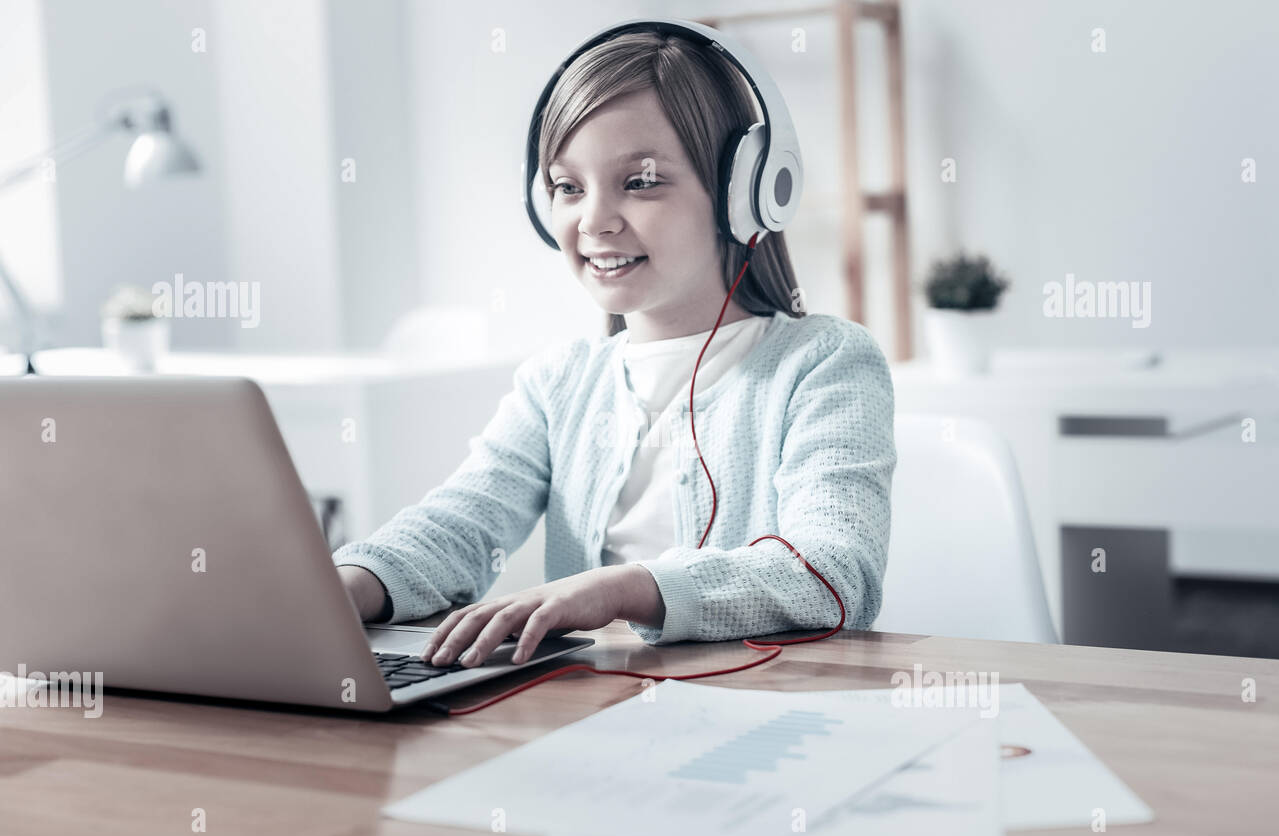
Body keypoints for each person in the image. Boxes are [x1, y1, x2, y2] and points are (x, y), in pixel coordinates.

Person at [333, 26, 896, 670]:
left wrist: (624, 589)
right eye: (568, 188)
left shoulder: (825, 364)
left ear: (747, 193)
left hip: (764, 720)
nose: (593, 221)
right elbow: (462, 525)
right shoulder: (559, 382)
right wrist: (345, 586)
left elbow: (834, 571)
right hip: (594, 720)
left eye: (641, 181)